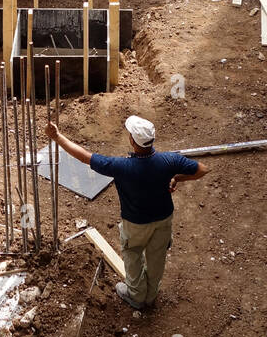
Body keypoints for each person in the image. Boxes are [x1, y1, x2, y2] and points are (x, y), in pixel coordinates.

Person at [45, 115, 207, 309]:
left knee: (133, 253)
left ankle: (137, 296)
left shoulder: (122, 166)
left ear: (132, 140)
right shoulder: (169, 160)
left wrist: (58, 137)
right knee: (157, 255)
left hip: (135, 223)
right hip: (163, 219)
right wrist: (177, 179)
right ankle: (151, 294)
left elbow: (85, 157)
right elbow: (202, 169)